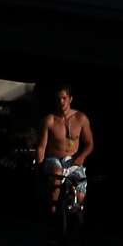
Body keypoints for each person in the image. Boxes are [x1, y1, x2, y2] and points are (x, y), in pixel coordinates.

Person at [33, 82, 94, 212]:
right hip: (54, 159)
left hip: (73, 160)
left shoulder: (81, 118)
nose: (61, 101)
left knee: (80, 195)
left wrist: (82, 157)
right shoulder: (50, 120)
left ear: (70, 99)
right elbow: (41, 147)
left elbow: (89, 143)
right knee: (57, 173)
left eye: (64, 98)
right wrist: (39, 167)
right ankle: (53, 209)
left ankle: (74, 213)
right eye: (58, 99)